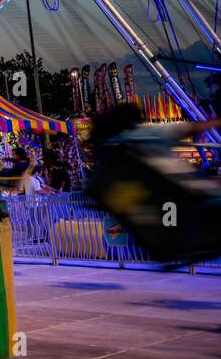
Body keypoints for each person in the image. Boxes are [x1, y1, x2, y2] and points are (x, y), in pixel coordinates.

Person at [85, 103, 221, 265]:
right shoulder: (144, 136)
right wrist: (215, 122)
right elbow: (186, 129)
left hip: (154, 210)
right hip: (183, 196)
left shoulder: (110, 151)